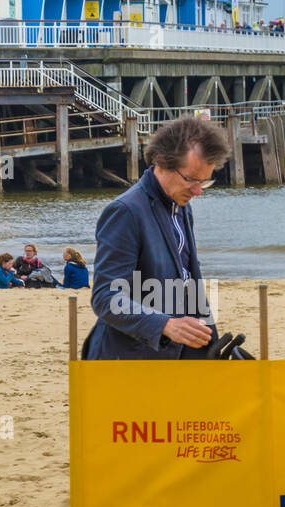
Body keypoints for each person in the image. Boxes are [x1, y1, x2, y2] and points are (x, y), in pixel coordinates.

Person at [83, 116, 231, 360]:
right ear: (162, 162)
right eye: (192, 179)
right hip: (126, 361)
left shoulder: (181, 205)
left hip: (171, 356)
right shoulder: (125, 212)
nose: (197, 191)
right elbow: (106, 297)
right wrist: (165, 325)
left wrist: (212, 349)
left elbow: (188, 282)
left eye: (204, 182)